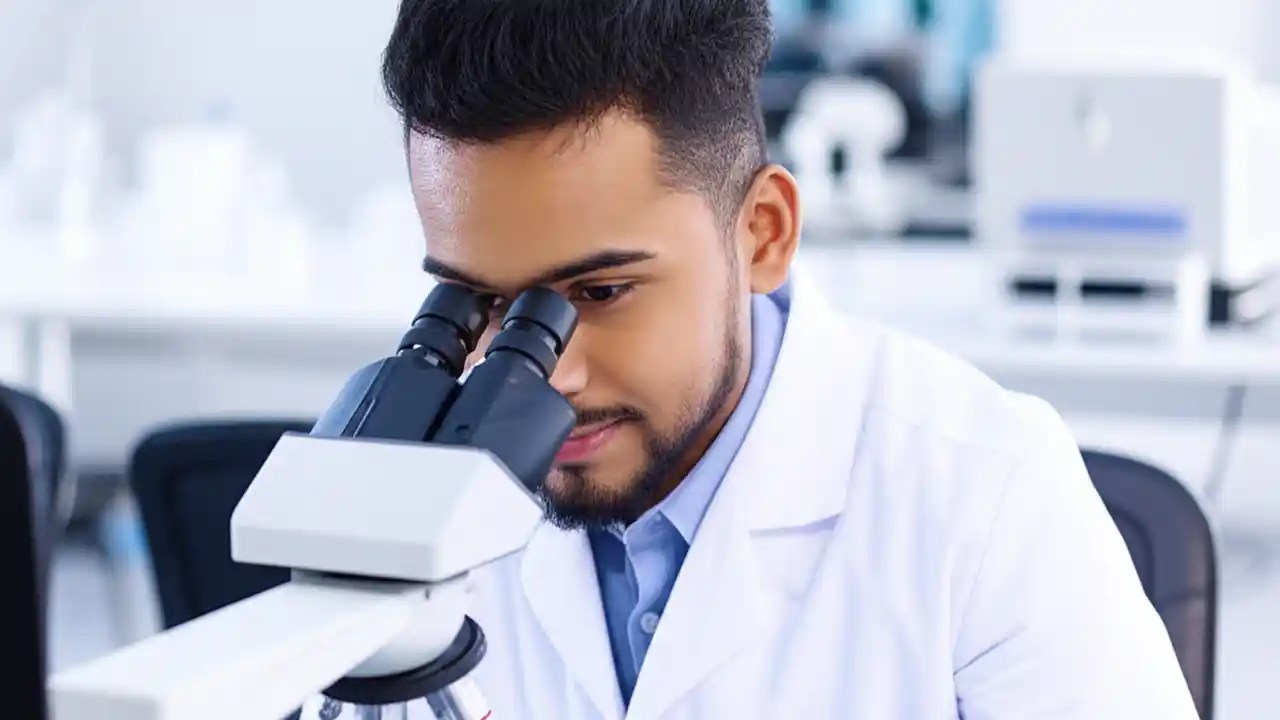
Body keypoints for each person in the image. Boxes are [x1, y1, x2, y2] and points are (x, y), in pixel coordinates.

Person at [306, 1, 1198, 717]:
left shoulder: (987, 492)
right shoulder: (435, 487)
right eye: (485, 307)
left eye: (601, 293)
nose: (546, 374)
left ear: (762, 232)